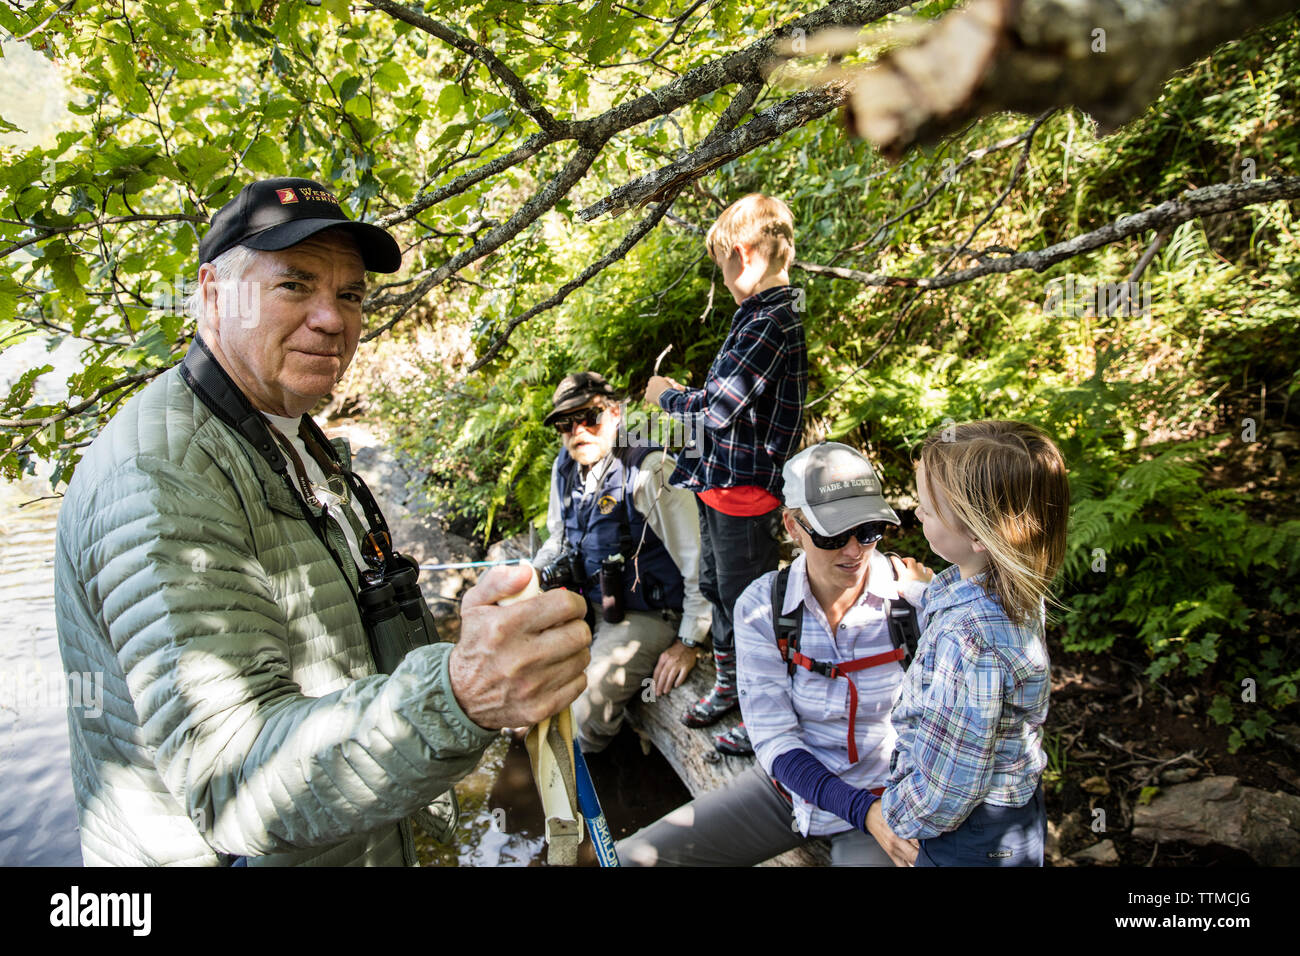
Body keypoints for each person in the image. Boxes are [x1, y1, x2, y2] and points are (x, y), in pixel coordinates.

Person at [53, 177, 590, 866]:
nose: (333, 319)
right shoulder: (160, 477)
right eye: (295, 285)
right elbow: (233, 784)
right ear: (213, 295)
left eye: (350, 294)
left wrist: (476, 650)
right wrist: (462, 693)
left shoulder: (282, 430)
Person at [617, 443, 924, 866]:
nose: (854, 550)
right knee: (633, 858)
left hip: (887, 803)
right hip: (790, 791)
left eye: (868, 529)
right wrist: (857, 808)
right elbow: (777, 742)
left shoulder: (914, 601)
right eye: (833, 534)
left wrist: (877, 812)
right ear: (793, 527)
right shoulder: (762, 607)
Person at [644, 193, 807, 755]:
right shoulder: (758, 318)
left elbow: (717, 408)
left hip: (746, 498)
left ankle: (766, 716)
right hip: (719, 489)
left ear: (743, 254)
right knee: (717, 590)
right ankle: (731, 687)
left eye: (723, 268)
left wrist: (667, 397)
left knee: (750, 609)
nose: (726, 279)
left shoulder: (771, 322)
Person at [870, 420, 1070, 866]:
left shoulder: (968, 642)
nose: (916, 514)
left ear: (981, 535)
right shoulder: (1014, 584)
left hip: (967, 833)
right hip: (1011, 813)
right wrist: (923, 593)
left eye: (927, 508)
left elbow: (950, 784)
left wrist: (896, 813)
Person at [533, 372, 711, 754]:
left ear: (614, 413)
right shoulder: (564, 467)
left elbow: (699, 562)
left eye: (589, 417)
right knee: (529, 674)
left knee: (582, 719)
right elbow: (557, 535)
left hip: (648, 612)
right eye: (566, 423)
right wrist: (532, 575)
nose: (578, 430)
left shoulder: (649, 471)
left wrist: (690, 642)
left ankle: (594, 770)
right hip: (589, 601)